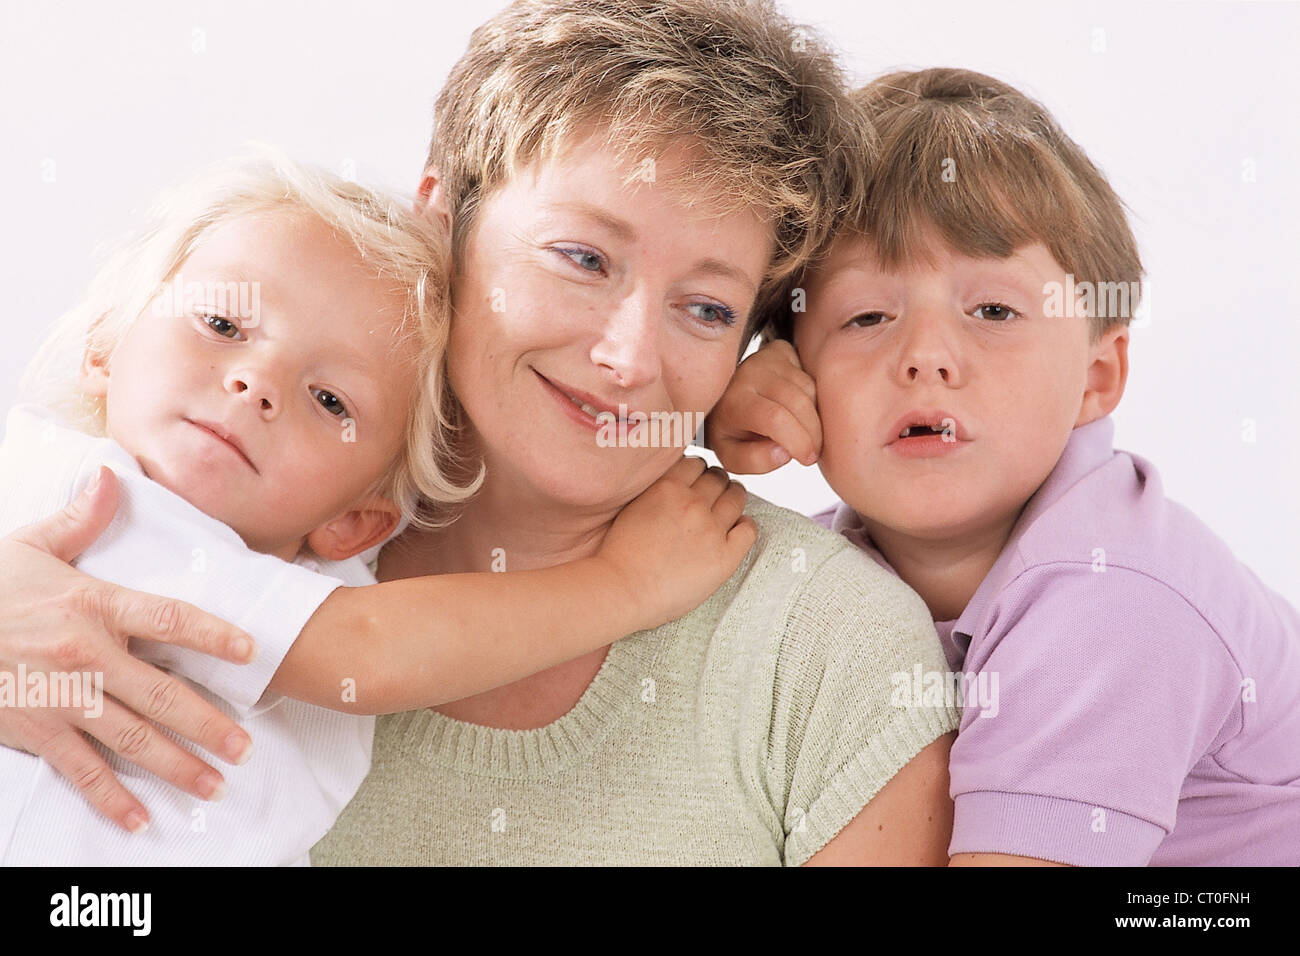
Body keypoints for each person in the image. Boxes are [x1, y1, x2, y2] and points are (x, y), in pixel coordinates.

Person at [2, 0, 959, 865]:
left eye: (706, 310)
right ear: (443, 221)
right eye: (584, 258)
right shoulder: (166, 530)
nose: (628, 357)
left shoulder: (826, 647)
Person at [0, 150, 754, 865]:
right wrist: (628, 583)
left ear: (354, 522)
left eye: (329, 401)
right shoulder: (91, 496)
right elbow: (371, 649)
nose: (255, 383)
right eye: (222, 325)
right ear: (104, 344)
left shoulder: (309, 572)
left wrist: (733, 390)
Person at [706, 67, 1300, 866]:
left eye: (993, 311)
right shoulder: (819, 579)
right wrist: (702, 419)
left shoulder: (1113, 593)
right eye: (866, 315)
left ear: (1097, 377)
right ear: (791, 372)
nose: (926, 357)